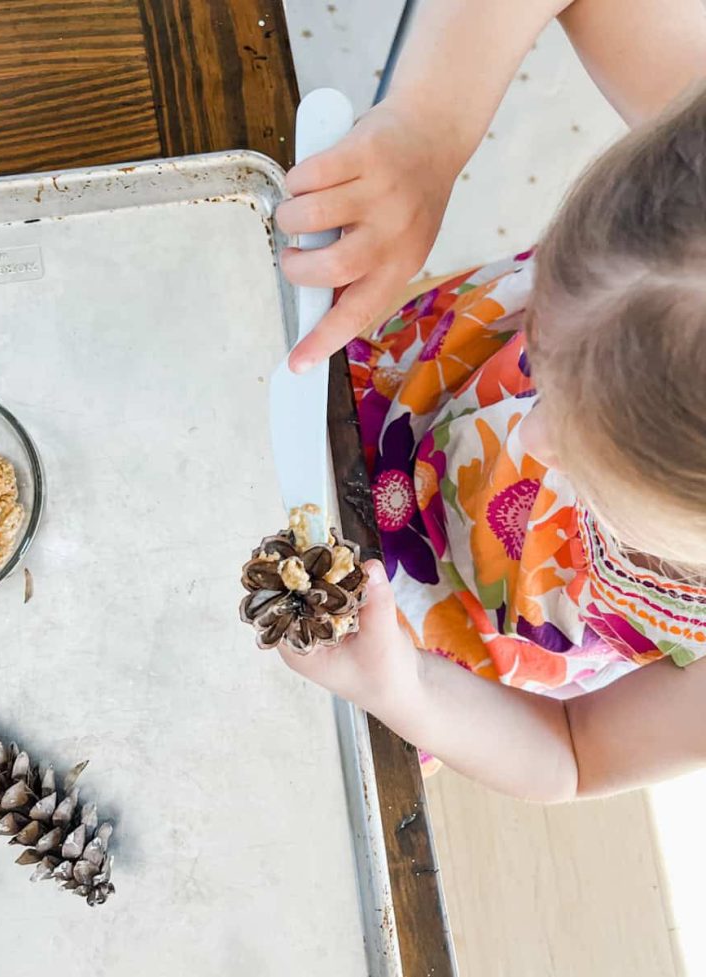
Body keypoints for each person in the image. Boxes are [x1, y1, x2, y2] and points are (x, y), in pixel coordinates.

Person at [273, 0, 706, 802]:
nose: (524, 423)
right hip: (382, 381)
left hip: (420, 653)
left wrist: (405, 694)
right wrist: (430, 130)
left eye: (582, 452)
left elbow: (576, 755)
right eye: (542, 339)